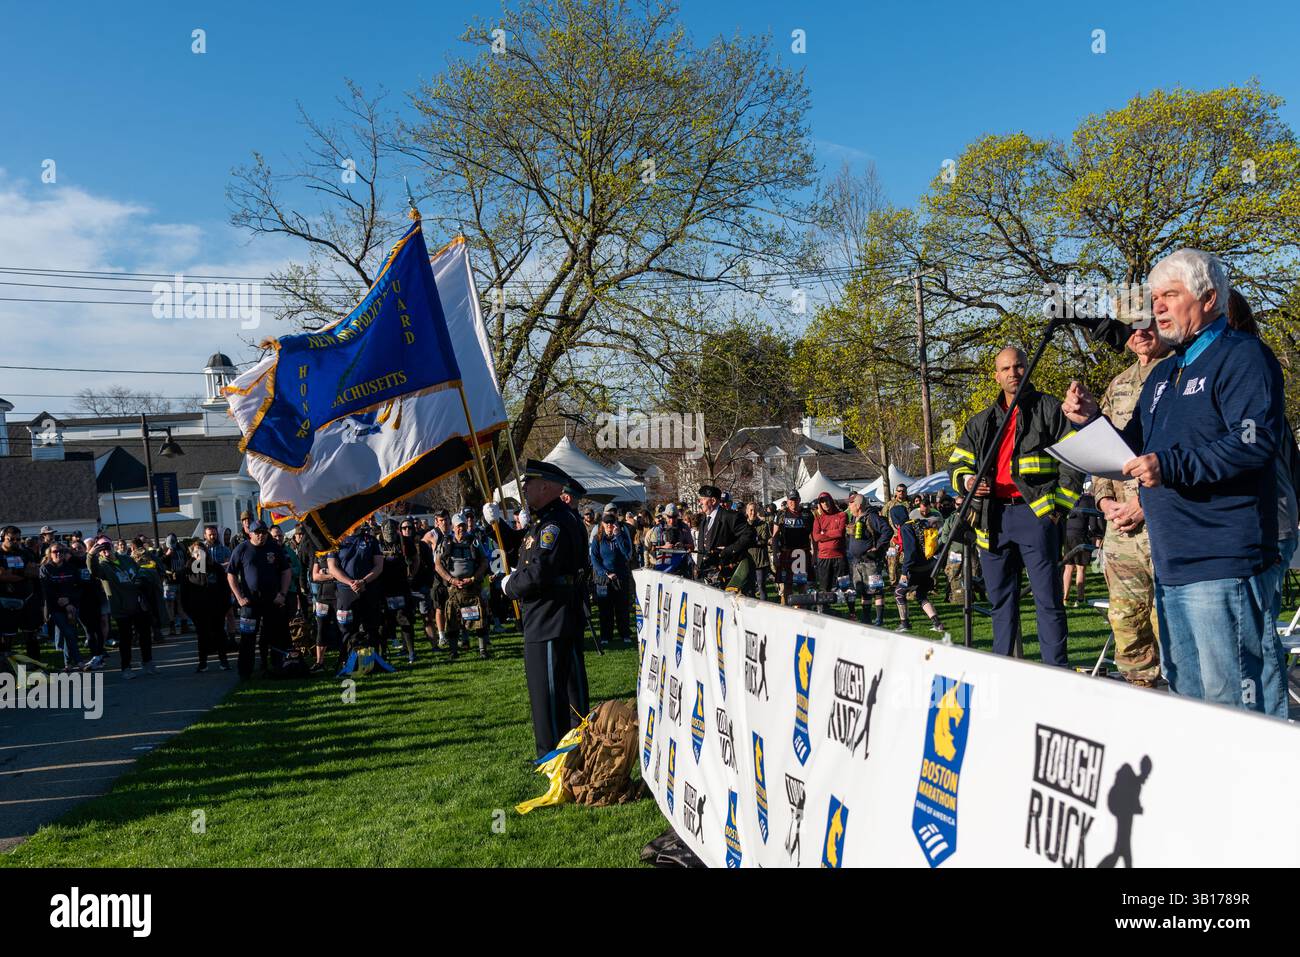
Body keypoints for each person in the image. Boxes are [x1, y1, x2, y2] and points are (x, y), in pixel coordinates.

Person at [1063, 249, 1286, 715]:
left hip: (1223, 560)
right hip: (1170, 562)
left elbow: (1252, 442)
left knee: (1235, 703)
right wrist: (1090, 422)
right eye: (1153, 297)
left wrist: (1170, 466)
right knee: (1187, 700)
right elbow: (1133, 448)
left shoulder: (1243, 357)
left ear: (1208, 300)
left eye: (1169, 295)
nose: (1157, 306)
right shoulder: (1164, 373)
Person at [948, 346, 1083, 667]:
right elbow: (956, 465)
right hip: (992, 518)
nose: (1013, 373)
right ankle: (1002, 672)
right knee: (1001, 602)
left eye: (1019, 366)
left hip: (1036, 515)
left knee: (1048, 600)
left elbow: (1075, 463)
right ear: (996, 376)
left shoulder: (1049, 409)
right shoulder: (981, 422)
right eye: (1006, 369)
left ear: (1027, 368)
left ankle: (1055, 673)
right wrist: (967, 482)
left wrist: (1055, 511)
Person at [483, 459, 590, 759]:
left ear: (546, 487)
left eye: (529, 483)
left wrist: (508, 586)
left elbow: (538, 572)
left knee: (548, 692)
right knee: (564, 690)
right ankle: (571, 749)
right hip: (555, 614)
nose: (524, 488)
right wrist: (496, 525)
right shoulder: (547, 519)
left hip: (549, 615)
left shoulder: (554, 524)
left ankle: (552, 756)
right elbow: (523, 546)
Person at [226, 520, 292, 678]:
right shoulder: (241, 549)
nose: (261, 535)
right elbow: (231, 574)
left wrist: (282, 594)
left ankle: (275, 668)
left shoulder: (274, 548)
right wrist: (239, 597)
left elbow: (286, 571)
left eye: (263, 532)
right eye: (257, 532)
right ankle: (245, 672)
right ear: (250, 533)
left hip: (272, 602)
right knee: (248, 638)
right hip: (249, 603)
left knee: (273, 636)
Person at [88, 536, 155, 677]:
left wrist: (141, 580)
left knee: (145, 635)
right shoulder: (102, 566)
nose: (105, 549)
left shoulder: (126, 559)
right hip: (121, 608)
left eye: (107, 545)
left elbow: (139, 571)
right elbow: (93, 570)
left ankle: (148, 663)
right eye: (101, 547)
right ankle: (126, 668)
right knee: (126, 639)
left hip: (137, 604)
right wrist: (90, 555)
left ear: (112, 546)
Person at [434, 513, 490, 659]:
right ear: (453, 526)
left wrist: (473, 578)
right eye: (458, 526)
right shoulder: (445, 542)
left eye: (463, 526)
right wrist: (451, 579)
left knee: (480, 618)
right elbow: (438, 565)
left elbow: (484, 562)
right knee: (452, 619)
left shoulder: (474, 541)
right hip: (454, 588)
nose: (461, 529)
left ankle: (483, 650)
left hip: (472, 586)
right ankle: (453, 651)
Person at [329, 523, 385, 659]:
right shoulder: (335, 541)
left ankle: (372, 659)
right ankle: (346, 661)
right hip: (345, 592)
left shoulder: (371, 540)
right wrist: (350, 582)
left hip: (368, 589)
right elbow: (332, 567)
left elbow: (379, 566)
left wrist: (364, 581)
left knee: (371, 626)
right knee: (346, 629)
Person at [180, 539, 231, 672]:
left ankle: (224, 661)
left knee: (219, 634)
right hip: (198, 611)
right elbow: (184, 593)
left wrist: (225, 607)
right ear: (192, 554)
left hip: (217, 609)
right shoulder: (188, 570)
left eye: (202, 551)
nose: (199, 554)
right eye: (196, 552)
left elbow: (225, 589)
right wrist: (189, 610)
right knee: (202, 636)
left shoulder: (216, 568)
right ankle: (203, 663)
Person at [693, 484, 756, 591]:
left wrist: (727, 550)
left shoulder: (731, 516)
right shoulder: (704, 519)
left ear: (713, 501)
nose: (700, 502)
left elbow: (750, 535)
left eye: (703, 499)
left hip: (729, 575)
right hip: (708, 574)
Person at [895, 508, 946, 634]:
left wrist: (904, 572)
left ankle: (905, 624)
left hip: (915, 568)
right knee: (921, 594)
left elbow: (910, 552)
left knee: (899, 593)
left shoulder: (905, 528)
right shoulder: (917, 523)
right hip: (928, 565)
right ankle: (937, 624)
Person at [590, 505, 634, 646]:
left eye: (612, 523)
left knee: (622, 607)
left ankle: (625, 633)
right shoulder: (598, 538)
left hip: (621, 576)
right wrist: (605, 572)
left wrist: (618, 536)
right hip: (604, 578)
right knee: (605, 609)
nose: (609, 525)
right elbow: (594, 559)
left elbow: (627, 554)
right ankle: (606, 636)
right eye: (607, 523)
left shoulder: (620, 535)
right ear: (602, 524)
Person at [846, 493, 891, 626]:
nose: (849, 506)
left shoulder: (871, 517)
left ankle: (879, 619)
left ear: (858, 505)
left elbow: (887, 531)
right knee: (864, 591)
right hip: (858, 562)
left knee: (876, 590)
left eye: (851, 503)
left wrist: (877, 547)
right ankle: (866, 619)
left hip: (871, 562)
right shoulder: (855, 518)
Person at [378, 520, 419, 663]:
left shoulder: (405, 541)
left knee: (405, 620)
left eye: (392, 531)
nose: (389, 534)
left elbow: (415, 559)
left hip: (401, 586)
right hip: (383, 588)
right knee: (383, 623)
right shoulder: (376, 542)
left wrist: (411, 575)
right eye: (386, 531)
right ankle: (383, 654)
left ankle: (411, 652)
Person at [40, 541, 85, 671]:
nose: (59, 553)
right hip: (55, 607)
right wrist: (62, 601)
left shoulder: (71, 567)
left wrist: (69, 601)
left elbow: (79, 587)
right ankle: (79, 661)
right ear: (50, 554)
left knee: (69, 633)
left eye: (62, 551)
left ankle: (68, 664)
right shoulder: (45, 568)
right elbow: (46, 589)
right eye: (55, 551)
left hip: (71, 605)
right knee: (69, 633)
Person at [0, 525, 41, 659]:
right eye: (12, 539)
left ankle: (34, 664)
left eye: (18, 539)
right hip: (5, 600)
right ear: (3, 538)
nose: (16, 542)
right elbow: (3, 576)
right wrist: (24, 573)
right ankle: (5, 664)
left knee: (31, 633)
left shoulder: (25, 553)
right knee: (7, 636)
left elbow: (34, 572)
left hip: (27, 598)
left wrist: (14, 573)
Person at [1061, 491, 1104, 607]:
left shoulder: (1069, 496)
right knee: (1081, 569)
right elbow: (1093, 523)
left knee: (1068, 568)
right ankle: (1080, 599)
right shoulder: (1089, 500)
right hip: (1080, 535)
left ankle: (1065, 598)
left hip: (1067, 535)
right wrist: (1098, 534)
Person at [771, 491, 813, 604]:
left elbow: (813, 535)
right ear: (788, 501)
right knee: (787, 585)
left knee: (802, 585)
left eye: (795, 500)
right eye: (790, 500)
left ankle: (803, 610)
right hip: (786, 553)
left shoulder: (807, 514)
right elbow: (774, 537)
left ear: (799, 500)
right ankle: (788, 610)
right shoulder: (781, 514)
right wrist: (775, 556)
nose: (793, 502)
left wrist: (815, 553)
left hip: (802, 554)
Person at [810, 492, 849, 615]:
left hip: (839, 556)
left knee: (845, 586)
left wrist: (824, 534)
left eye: (826, 500)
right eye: (822, 501)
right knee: (824, 587)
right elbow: (816, 537)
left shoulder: (841, 515)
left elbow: (840, 532)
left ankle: (852, 612)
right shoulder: (818, 518)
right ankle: (824, 610)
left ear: (831, 500)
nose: (825, 503)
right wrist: (832, 533)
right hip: (824, 557)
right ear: (819, 504)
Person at [421, 510, 452, 648]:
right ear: (436, 521)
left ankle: (454, 633)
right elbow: (421, 546)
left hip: (452, 572)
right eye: (441, 520)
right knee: (439, 606)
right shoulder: (432, 534)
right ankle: (441, 636)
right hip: (438, 575)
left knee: (452, 605)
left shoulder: (453, 531)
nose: (444, 522)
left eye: (446, 519)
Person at [645, 503, 693, 575]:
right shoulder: (656, 530)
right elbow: (649, 549)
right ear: (665, 516)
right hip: (661, 569)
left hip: (680, 569)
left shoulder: (684, 528)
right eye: (669, 517)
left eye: (674, 517)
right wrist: (663, 547)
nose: (672, 520)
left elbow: (692, 547)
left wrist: (683, 545)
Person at [744, 502, 772, 600]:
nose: (753, 512)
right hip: (747, 560)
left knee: (761, 587)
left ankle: (764, 609)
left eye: (755, 510)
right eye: (751, 510)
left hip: (760, 560)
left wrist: (750, 540)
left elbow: (763, 540)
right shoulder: (743, 525)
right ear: (747, 511)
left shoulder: (763, 524)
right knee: (749, 587)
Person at [886, 484, 910, 584]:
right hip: (893, 538)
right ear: (896, 492)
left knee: (904, 561)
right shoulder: (890, 504)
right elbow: (883, 518)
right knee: (892, 561)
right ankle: (893, 583)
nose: (901, 493)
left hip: (906, 537)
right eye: (899, 491)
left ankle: (904, 582)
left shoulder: (910, 504)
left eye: (903, 491)